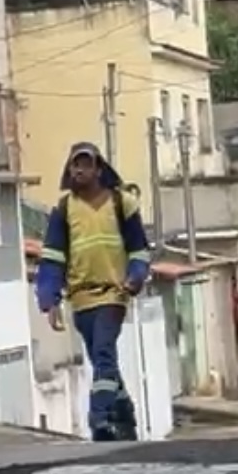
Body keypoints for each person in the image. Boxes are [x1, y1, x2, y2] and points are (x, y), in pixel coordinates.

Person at [35, 141, 151, 442]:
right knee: (103, 361)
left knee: (103, 354)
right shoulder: (63, 210)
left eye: (86, 164)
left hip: (113, 294)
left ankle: (98, 419)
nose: (79, 169)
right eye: (75, 164)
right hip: (80, 299)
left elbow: (138, 249)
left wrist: (136, 277)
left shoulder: (121, 202)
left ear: (99, 168)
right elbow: (52, 259)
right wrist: (50, 300)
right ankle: (124, 413)